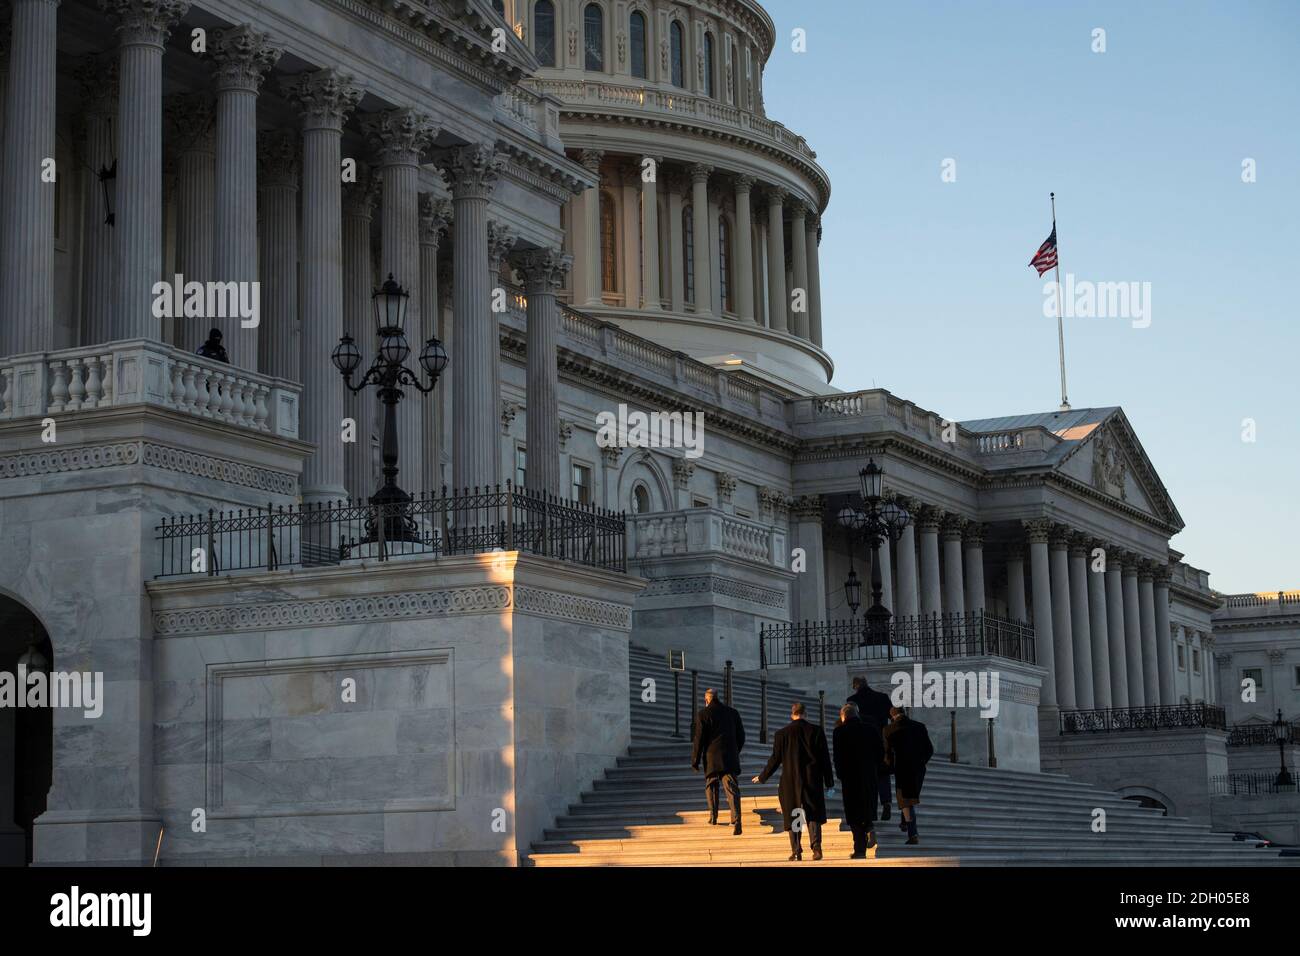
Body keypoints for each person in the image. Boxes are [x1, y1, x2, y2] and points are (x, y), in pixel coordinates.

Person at [753, 701, 833, 861]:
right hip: (812, 779)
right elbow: (825, 759)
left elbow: (775, 759)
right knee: (813, 815)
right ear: (806, 713)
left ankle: (796, 850)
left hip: (790, 780)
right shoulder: (817, 731)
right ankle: (816, 848)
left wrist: (762, 776)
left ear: (792, 714)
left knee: (793, 813)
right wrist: (829, 782)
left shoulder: (782, 734)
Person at [691, 688, 746, 835]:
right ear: (718, 698)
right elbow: (741, 736)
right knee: (732, 789)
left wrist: (695, 760)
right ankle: (737, 820)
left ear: (707, 699)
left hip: (711, 758)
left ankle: (713, 816)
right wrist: (735, 751)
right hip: (729, 757)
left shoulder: (703, 714)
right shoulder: (732, 712)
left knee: (711, 786)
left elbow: (699, 739)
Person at [832, 702, 883, 858]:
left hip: (850, 777)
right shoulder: (871, 729)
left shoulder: (839, 732)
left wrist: (840, 774)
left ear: (843, 717)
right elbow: (880, 753)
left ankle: (860, 849)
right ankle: (870, 827)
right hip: (869, 775)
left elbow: (837, 756)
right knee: (867, 805)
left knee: (853, 814)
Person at [883, 705, 934, 846]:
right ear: (904, 713)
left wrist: (889, 767)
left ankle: (913, 834)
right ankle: (904, 822)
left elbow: (887, 754)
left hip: (902, 769)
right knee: (908, 799)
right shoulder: (919, 726)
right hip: (918, 769)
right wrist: (921, 762)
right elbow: (929, 749)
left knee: (907, 802)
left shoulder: (888, 729)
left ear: (892, 716)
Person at [847, 675, 893, 820]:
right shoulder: (882, 697)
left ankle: (871, 807)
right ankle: (886, 801)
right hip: (881, 740)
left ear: (855, 686)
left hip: (862, 743)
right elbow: (892, 716)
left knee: (866, 777)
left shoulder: (852, 701)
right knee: (883, 773)